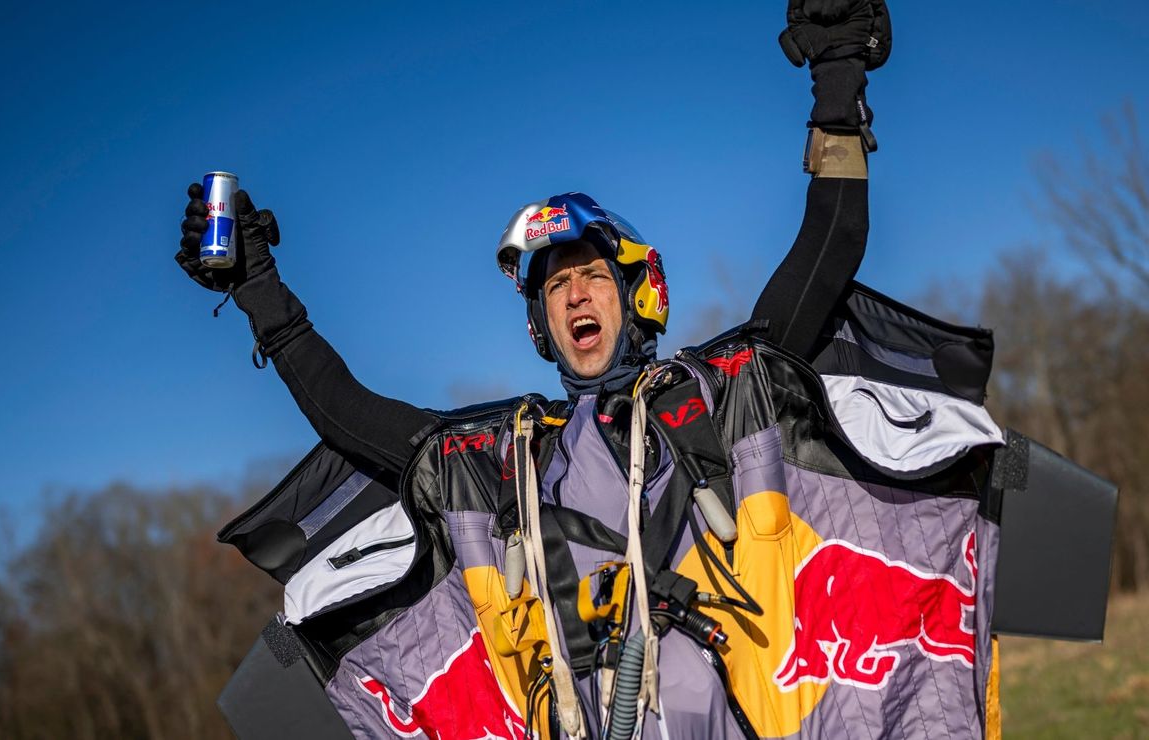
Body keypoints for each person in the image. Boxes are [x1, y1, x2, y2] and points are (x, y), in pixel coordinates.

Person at [179, 3, 1007, 738]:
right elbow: (349, 413)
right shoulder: (500, 461)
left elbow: (828, 250)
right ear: (542, 324)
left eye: (592, 274)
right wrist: (259, 290)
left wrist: (838, 78)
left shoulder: (717, 394)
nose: (575, 292)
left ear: (635, 296)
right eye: (556, 284)